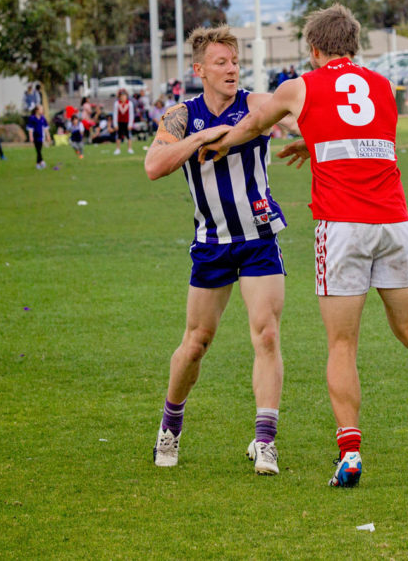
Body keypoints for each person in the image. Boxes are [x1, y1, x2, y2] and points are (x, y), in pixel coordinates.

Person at [201, 4, 408, 488]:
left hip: (342, 227)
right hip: (394, 221)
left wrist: (218, 144)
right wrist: (313, 142)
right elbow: (361, 137)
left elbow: (254, 124)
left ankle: (350, 454)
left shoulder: (300, 86)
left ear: (315, 48)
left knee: (342, 344)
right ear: (354, 45)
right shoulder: (382, 86)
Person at [145, 25, 287, 477]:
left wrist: (305, 134)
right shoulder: (181, 115)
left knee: (267, 334)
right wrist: (201, 138)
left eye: (235, 62)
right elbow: (154, 166)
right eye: (221, 63)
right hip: (211, 244)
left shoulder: (257, 104)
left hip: (259, 237)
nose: (231, 69)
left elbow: (298, 115)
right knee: (196, 343)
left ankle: (265, 441)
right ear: (199, 70)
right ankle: (170, 427)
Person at [27, 105, 49, 169]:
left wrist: (48, 135)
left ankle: (39, 163)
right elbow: (30, 128)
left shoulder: (43, 118)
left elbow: (46, 127)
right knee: (38, 150)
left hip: (41, 136)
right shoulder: (32, 118)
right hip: (35, 136)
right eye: (41, 109)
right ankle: (41, 162)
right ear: (37, 110)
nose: (42, 111)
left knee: (39, 150)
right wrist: (31, 136)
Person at [112, 90, 134, 155]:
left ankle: (129, 148)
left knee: (128, 136)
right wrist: (115, 124)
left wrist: (130, 124)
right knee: (118, 136)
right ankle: (118, 149)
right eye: (121, 96)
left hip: (127, 122)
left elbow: (131, 114)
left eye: (124, 96)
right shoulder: (117, 103)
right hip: (119, 122)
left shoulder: (129, 103)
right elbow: (115, 114)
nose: (123, 97)